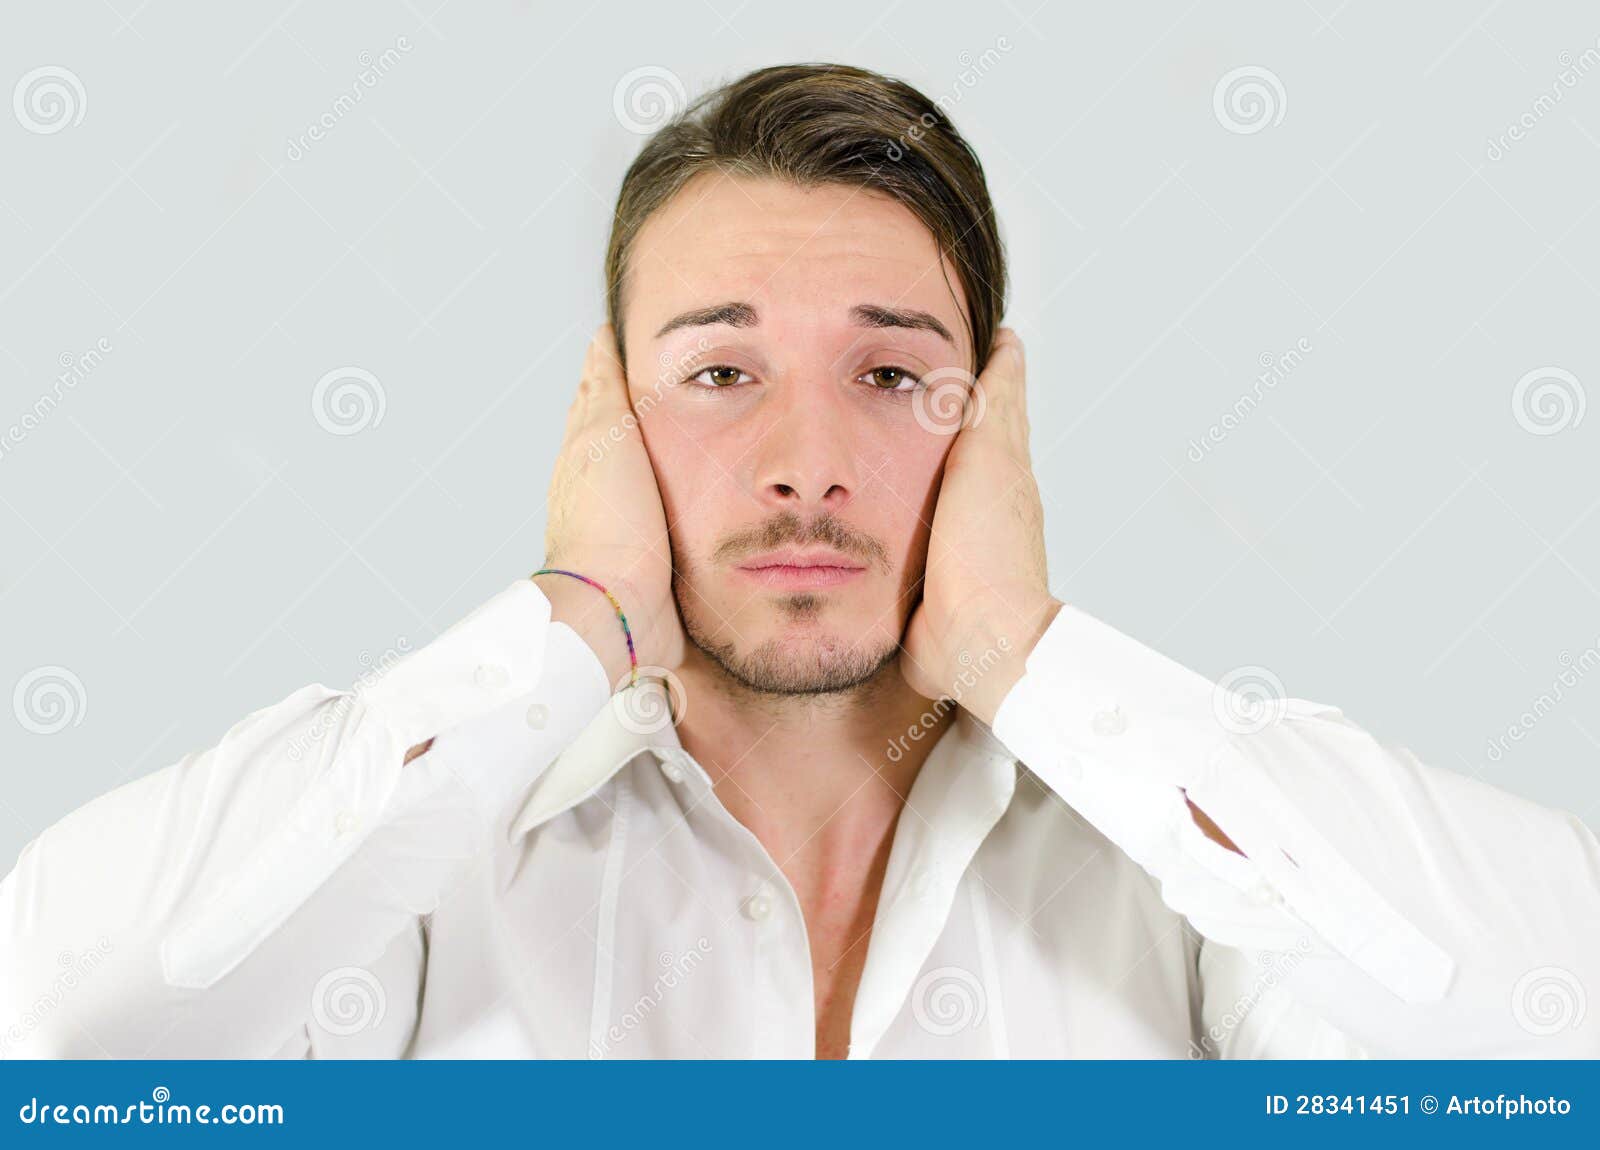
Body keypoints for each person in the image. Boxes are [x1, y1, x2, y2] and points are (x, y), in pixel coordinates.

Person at [2, 64, 1595, 1061]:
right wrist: (578, 618)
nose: (807, 459)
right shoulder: (434, 863)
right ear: (607, 411)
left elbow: (1553, 1026)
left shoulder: (1179, 879)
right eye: (719, 369)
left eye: (892, 373)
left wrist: (1019, 651)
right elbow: (66, 1036)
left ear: (993, 416)